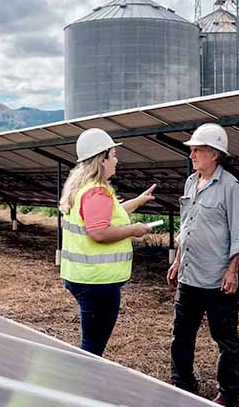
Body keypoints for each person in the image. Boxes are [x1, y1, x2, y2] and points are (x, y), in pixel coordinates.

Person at [167, 123, 239, 407]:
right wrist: (178, 261)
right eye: (191, 149)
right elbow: (186, 227)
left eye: (198, 149)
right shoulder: (191, 182)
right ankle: (182, 382)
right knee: (181, 334)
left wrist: (232, 271)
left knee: (225, 340)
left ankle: (227, 394)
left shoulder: (230, 188)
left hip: (217, 280)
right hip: (189, 275)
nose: (192, 154)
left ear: (214, 154)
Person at [59, 127, 157, 356]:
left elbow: (103, 216)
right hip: (97, 282)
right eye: (113, 155)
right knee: (92, 348)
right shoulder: (97, 192)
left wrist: (138, 202)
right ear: (102, 159)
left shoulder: (84, 189)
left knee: (92, 343)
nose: (116, 160)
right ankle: (84, 387)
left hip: (83, 276)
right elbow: (99, 232)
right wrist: (133, 229)